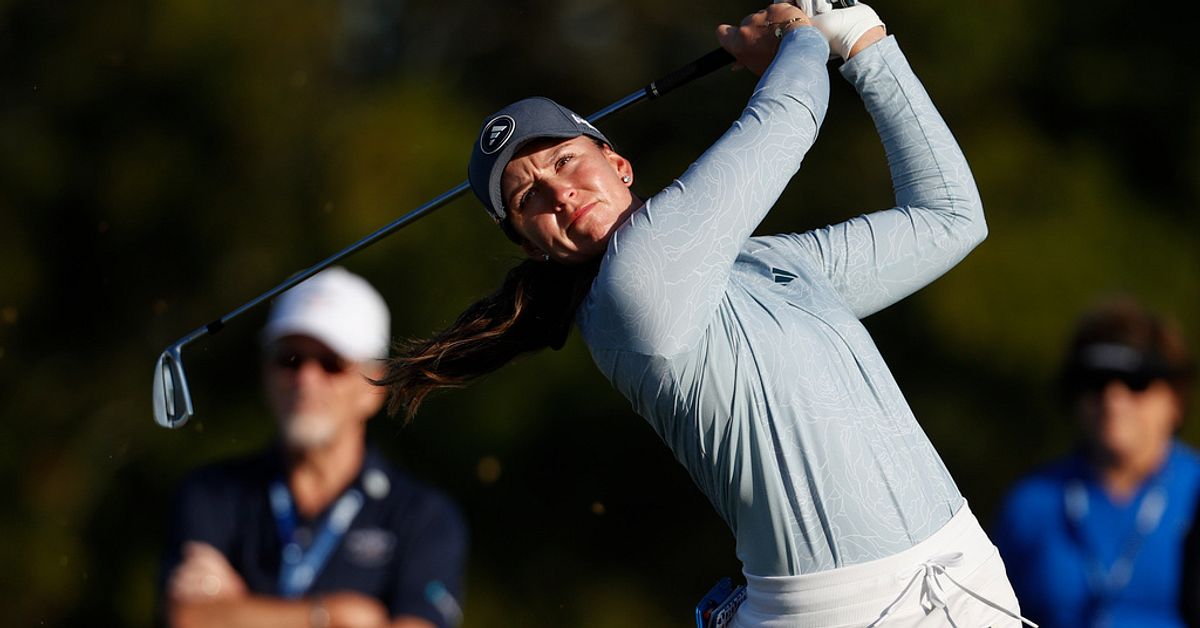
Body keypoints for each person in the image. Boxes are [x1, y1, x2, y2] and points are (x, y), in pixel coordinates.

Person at [380, 2, 1031, 625]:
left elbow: (949, 218)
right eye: (527, 197)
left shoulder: (766, 265)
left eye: (564, 158)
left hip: (969, 584)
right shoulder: (631, 286)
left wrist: (866, 44)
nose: (558, 190)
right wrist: (797, 36)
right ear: (529, 243)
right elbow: (789, 116)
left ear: (618, 163)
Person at [159, 267, 468, 628]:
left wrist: (238, 611)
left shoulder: (424, 517)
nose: (306, 379)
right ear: (266, 373)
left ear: (375, 387)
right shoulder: (210, 493)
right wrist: (333, 615)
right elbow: (187, 619)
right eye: (289, 359)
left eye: (331, 364)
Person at [994, 298, 1199, 627]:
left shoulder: (1194, 493)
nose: (1113, 399)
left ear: (1175, 399)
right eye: (1095, 382)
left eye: (1137, 382)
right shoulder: (1030, 503)